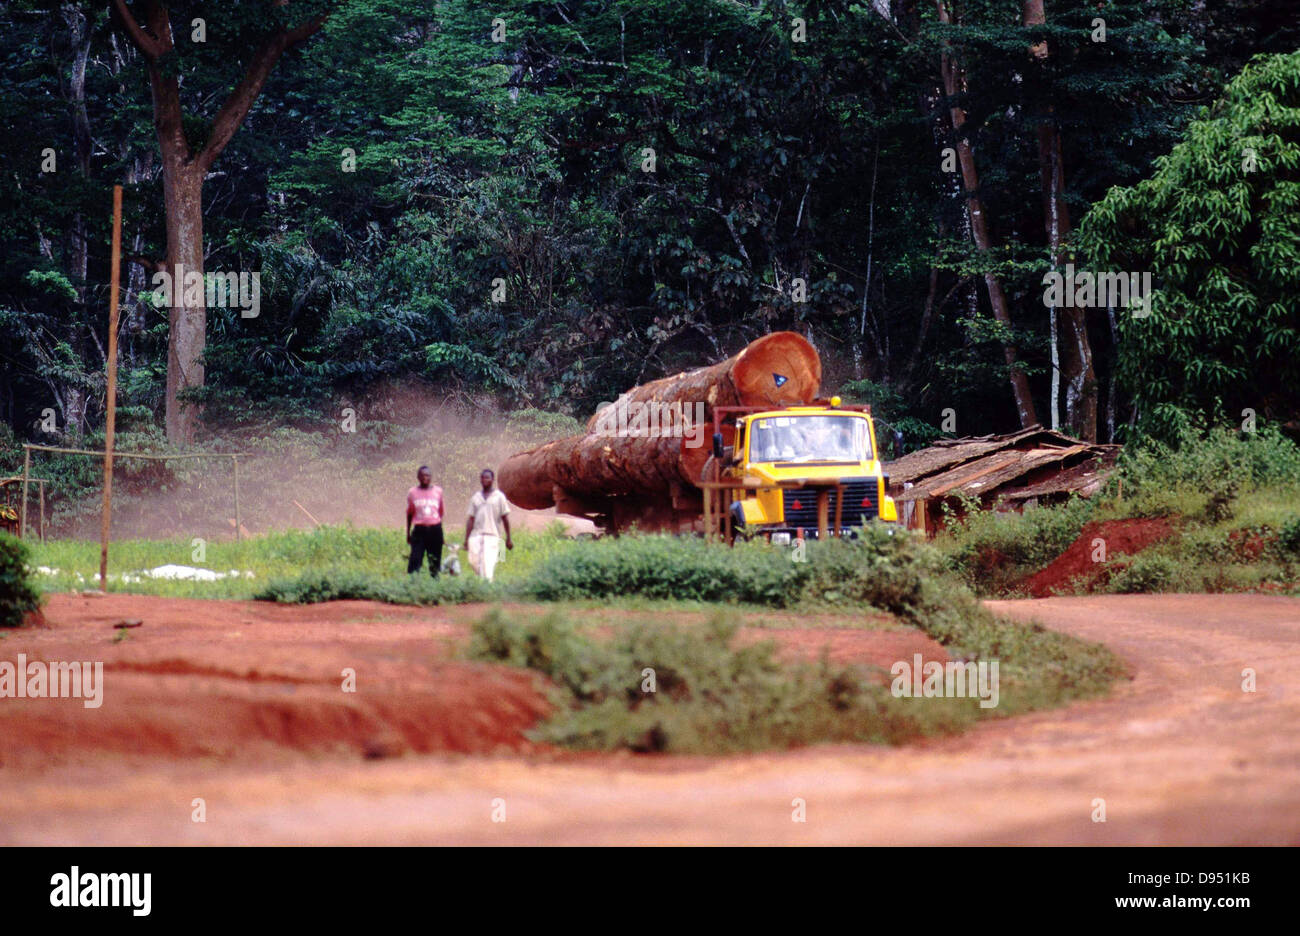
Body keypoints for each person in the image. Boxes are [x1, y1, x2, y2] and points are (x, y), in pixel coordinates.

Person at [466, 468, 513, 581]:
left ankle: (487, 589)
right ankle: (483, 583)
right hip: (476, 536)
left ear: (492, 480)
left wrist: (508, 538)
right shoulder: (476, 497)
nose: (484, 480)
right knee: (473, 561)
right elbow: (471, 519)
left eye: (487, 477)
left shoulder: (499, 497)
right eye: (482, 478)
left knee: (488, 564)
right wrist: (466, 539)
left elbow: (505, 518)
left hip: (492, 536)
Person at [406, 465, 445, 576]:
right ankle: (413, 586)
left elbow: (440, 513)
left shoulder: (438, 491)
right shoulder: (412, 492)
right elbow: (409, 513)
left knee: (435, 561)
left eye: (427, 475)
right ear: (418, 477)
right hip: (419, 531)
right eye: (422, 475)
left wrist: (440, 533)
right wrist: (408, 533)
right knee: (415, 560)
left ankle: (434, 587)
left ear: (431, 477)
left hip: (435, 530)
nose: (425, 478)